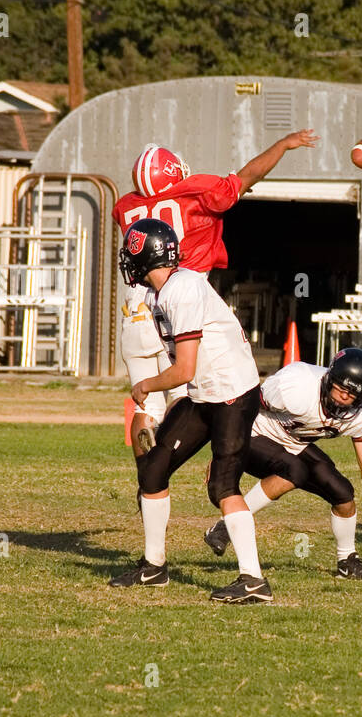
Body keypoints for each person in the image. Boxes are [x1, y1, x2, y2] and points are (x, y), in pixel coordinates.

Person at [112, 131, 318, 455]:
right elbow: (249, 176)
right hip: (176, 301)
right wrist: (282, 145)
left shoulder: (126, 207)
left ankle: (147, 481)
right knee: (187, 396)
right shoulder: (195, 193)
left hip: (135, 309)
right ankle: (168, 470)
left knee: (146, 408)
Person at [110, 217, 269, 604]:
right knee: (153, 470)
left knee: (222, 487)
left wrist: (146, 384)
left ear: (144, 255)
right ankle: (154, 566)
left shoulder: (183, 290)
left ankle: (254, 580)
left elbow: (184, 368)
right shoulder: (156, 294)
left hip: (232, 394)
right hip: (204, 394)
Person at [203, 349, 362, 579]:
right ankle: (225, 526)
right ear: (329, 380)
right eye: (341, 388)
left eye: (351, 394)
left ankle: (347, 561)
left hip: (293, 443)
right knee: (295, 470)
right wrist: (222, 453)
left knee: (343, 494)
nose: (343, 397)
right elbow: (242, 409)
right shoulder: (298, 384)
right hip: (251, 434)